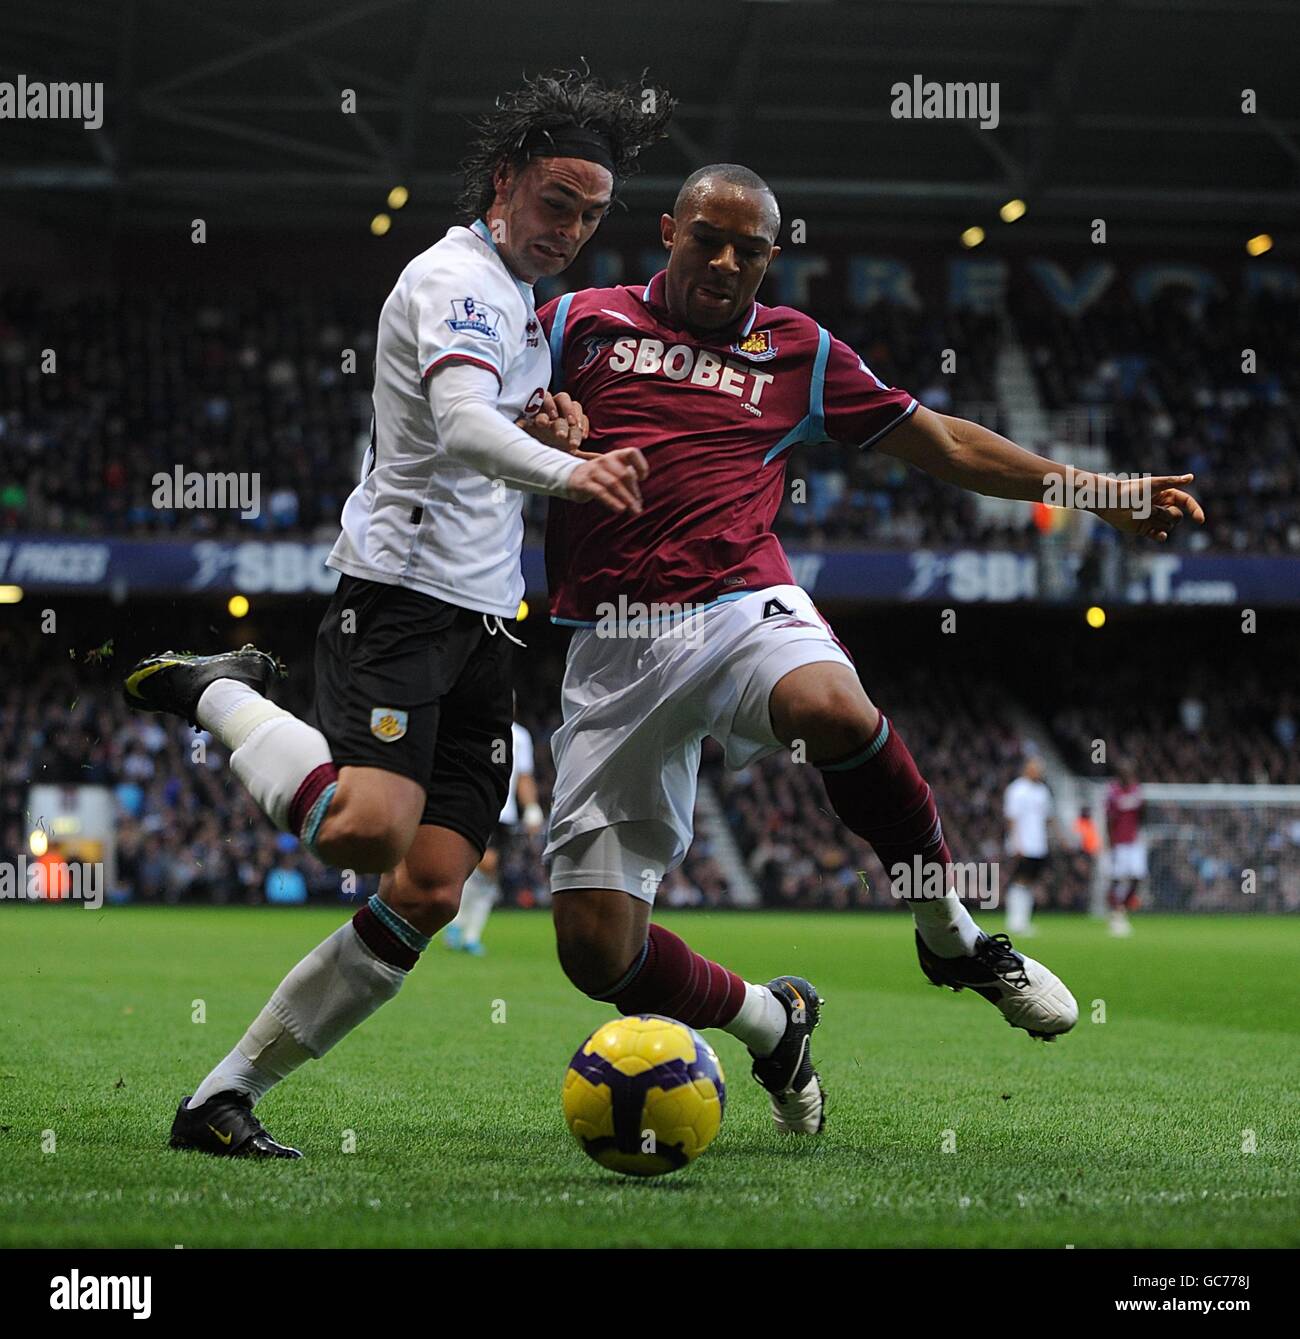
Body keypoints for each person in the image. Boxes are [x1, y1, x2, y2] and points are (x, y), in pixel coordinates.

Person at [537, 163, 1204, 1135]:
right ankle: (771, 1022)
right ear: (669, 230)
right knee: (597, 954)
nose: (725, 262)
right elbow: (473, 417)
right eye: (706, 239)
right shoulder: (576, 322)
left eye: (749, 250)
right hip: (610, 645)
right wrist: (537, 428)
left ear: (771, 256)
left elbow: (943, 443)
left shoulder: (795, 349)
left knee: (834, 707)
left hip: (737, 604)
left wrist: (1098, 491)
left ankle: (951, 933)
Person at [121, 70, 672, 1158]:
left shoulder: (513, 300)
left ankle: (220, 1096)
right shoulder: (460, 280)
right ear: (505, 183)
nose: (570, 229)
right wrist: (574, 473)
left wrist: (547, 433)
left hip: (483, 622)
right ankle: (217, 686)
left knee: (427, 886)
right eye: (556, 201)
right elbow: (462, 426)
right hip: (401, 601)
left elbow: (476, 431)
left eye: (592, 214)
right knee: (369, 830)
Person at [445, 710, 544, 955]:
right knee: (483, 864)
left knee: (491, 874)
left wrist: (531, 807)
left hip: (506, 814)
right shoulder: (473, 726)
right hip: (477, 808)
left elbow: (523, 776)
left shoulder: (519, 736)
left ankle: (469, 934)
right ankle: (457, 924)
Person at [1003, 756, 1055, 936]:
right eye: (1035, 767)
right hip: (1023, 843)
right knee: (1020, 880)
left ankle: (1023, 919)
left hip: (1038, 844)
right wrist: (1016, 842)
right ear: (1027, 768)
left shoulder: (1042, 791)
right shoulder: (1017, 790)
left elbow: (1047, 818)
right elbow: (1012, 818)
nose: (1039, 771)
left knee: (1030, 882)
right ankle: (1015, 920)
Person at [1105, 760, 1147, 936]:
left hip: (1134, 840)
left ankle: (1123, 909)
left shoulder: (1137, 790)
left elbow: (1143, 814)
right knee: (1118, 877)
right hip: (1119, 842)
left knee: (1137, 876)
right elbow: (1109, 818)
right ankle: (1116, 913)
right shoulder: (1113, 792)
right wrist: (1110, 841)